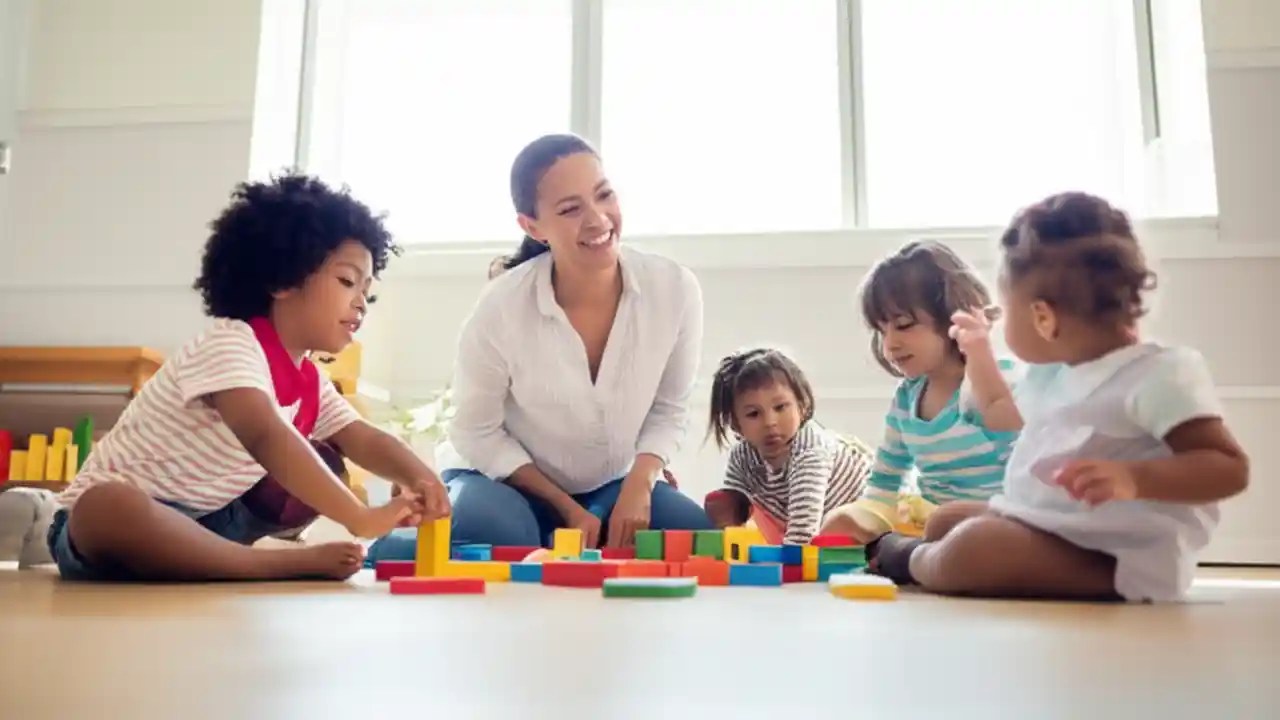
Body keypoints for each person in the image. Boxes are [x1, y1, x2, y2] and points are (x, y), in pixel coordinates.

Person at [46, 173, 450, 582]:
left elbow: (362, 436)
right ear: (281, 279)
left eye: (367, 290)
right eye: (347, 281)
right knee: (107, 505)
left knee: (326, 460)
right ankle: (264, 564)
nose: (361, 302)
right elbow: (266, 436)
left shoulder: (309, 378)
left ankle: (216, 557)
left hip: (207, 525)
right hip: (112, 524)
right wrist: (359, 517)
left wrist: (419, 476)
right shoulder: (230, 344)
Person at [866, 191, 1249, 602]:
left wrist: (1134, 479)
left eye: (1006, 310)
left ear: (1043, 318)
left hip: (1116, 556)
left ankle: (910, 560)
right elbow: (995, 411)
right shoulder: (1053, 375)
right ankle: (932, 549)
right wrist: (977, 351)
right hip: (1052, 525)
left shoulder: (1157, 375)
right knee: (947, 519)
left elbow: (1228, 467)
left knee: (976, 546)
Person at [366, 133, 710, 560]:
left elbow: (670, 408)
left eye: (604, 195)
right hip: (499, 479)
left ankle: (557, 538)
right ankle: (391, 546)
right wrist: (564, 507)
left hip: (607, 483)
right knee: (504, 535)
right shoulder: (501, 308)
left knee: (694, 536)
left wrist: (641, 481)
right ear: (533, 227)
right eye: (570, 209)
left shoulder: (675, 289)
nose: (598, 218)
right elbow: (477, 432)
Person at [822, 240, 1022, 543]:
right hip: (929, 521)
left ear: (953, 317)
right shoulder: (906, 398)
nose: (890, 344)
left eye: (903, 325)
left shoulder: (996, 380)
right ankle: (911, 555)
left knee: (950, 525)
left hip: (996, 518)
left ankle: (913, 557)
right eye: (881, 330)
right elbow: (884, 482)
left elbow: (1026, 463)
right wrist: (860, 519)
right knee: (841, 520)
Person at [702, 348, 873, 546]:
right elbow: (734, 510)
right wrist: (727, 521)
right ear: (735, 423)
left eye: (781, 407)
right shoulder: (742, 456)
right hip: (815, 522)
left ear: (802, 405)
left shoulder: (809, 452)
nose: (770, 422)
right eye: (753, 414)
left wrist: (782, 568)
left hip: (877, 512)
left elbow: (802, 534)